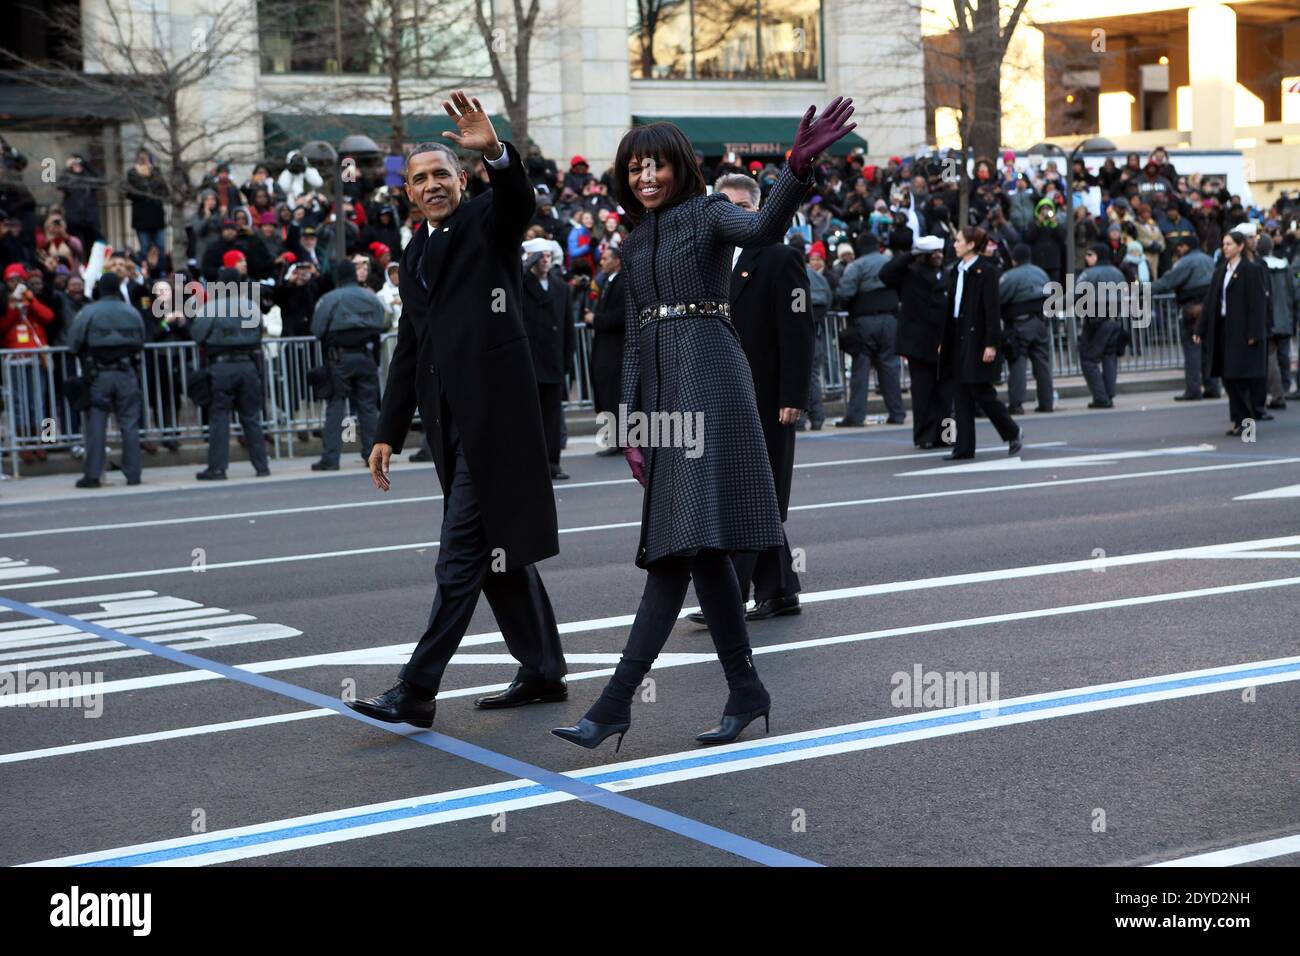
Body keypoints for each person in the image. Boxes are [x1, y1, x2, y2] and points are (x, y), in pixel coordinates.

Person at [553, 97, 856, 752]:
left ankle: (612, 705)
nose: (647, 177)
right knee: (703, 549)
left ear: (681, 169)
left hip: (712, 378)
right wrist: (630, 421)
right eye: (635, 168)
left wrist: (796, 170)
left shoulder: (711, 212)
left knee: (675, 548)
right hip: (663, 394)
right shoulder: (634, 244)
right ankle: (746, 692)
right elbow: (634, 340)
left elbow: (765, 229)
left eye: (658, 166)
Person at [348, 91, 566, 729]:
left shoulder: (487, 222)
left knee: (460, 556)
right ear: (409, 194)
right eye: (419, 179)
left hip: (496, 423)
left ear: (462, 179)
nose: (431, 185)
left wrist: (498, 151)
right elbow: (410, 350)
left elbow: (517, 203)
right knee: (500, 555)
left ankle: (417, 688)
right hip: (449, 427)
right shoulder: (413, 255)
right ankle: (544, 670)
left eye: (441, 173)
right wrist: (387, 430)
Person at [686, 172, 813, 623]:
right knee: (752, 494)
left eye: (740, 207)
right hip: (724, 393)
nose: (729, 214)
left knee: (754, 495)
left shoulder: (781, 257)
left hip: (767, 395)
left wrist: (794, 394)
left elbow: (798, 331)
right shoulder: (709, 256)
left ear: (758, 212)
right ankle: (779, 590)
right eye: (722, 205)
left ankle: (730, 596)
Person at [939, 225, 1023, 460]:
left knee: (980, 389)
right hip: (957, 334)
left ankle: (1012, 431)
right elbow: (951, 309)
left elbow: (991, 309)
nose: (954, 244)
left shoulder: (985, 271)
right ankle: (964, 447)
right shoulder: (956, 270)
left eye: (958, 241)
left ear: (971, 244)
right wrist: (943, 340)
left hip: (976, 336)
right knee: (960, 391)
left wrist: (991, 343)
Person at [191, 267, 271, 479]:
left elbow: (197, 334)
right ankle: (262, 466)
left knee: (219, 418)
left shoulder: (211, 308)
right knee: (251, 418)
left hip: (221, 368)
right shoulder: (250, 308)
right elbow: (258, 335)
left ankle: (218, 468)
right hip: (248, 366)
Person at [67, 274, 145, 487]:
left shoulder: (88, 312)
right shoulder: (132, 312)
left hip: (99, 375)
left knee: (96, 425)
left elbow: (73, 343)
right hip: (127, 373)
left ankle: (93, 474)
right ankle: (134, 474)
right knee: (129, 425)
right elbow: (141, 341)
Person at [309, 259, 385, 471]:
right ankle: (374, 456)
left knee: (336, 405)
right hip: (366, 355)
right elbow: (382, 321)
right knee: (368, 407)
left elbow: (317, 328)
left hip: (340, 358)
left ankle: (331, 458)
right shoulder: (371, 297)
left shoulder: (331, 298)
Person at [881, 232, 950, 447]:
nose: (938, 255)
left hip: (943, 342)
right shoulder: (910, 273)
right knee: (923, 393)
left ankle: (945, 435)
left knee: (945, 394)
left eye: (940, 251)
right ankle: (924, 436)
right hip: (919, 343)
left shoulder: (947, 274)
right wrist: (911, 254)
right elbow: (886, 274)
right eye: (933, 252)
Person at [1197, 231, 1268, 436]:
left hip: (1243, 330)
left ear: (1240, 246)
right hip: (1224, 329)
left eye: (1229, 244)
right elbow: (1211, 302)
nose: (1225, 247)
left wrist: (1255, 331)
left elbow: (1257, 304)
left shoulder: (1251, 270)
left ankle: (1246, 425)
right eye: (1224, 244)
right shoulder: (1221, 271)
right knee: (1228, 377)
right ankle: (1239, 420)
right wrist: (1200, 329)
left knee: (1239, 378)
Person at [834, 230, 906, 426]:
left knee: (861, 370)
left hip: (865, 321)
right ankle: (897, 413)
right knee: (890, 367)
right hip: (890, 319)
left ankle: (856, 416)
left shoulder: (857, 265)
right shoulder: (889, 262)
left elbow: (845, 291)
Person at [520, 245, 574, 479]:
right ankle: (532, 464)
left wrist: (567, 362)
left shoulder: (561, 287)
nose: (545, 260)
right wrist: (525, 265)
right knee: (530, 417)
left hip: (552, 361)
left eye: (548, 255)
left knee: (552, 417)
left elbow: (568, 327)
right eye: (539, 256)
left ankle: (553, 462)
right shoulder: (522, 284)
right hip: (530, 361)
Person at [1152, 236, 1216, 400]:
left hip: (1193, 309)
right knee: (1209, 350)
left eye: (1180, 246)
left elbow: (1167, 282)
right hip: (1211, 308)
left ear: (1185, 246)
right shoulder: (1209, 260)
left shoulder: (1185, 262)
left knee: (1192, 350)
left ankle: (1193, 390)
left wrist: (1142, 291)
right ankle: (1212, 387)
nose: (1178, 250)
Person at [998, 243, 1054, 414]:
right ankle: (1047, 402)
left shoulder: (1010, 276)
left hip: (1020, 324)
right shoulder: (1041, 273)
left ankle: (1016, 404)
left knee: (1018, 363)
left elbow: (999, 297)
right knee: (1042, 364)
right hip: (1040, 322)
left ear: (1014, 259)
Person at [584, 243, 625, 456]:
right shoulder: (607, 282)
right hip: (605, 350)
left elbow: (620, 316)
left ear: (617, 261)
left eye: (606, 258)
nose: (602, 262)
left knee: (614, 395)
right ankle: (615, 438)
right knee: (608, 395)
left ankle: (620, 440)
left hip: (615, 350)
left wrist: (595, 319)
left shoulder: (622, 283)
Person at [1077, 243, 1126, 408]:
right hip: (1115, 320)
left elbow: (1075, 295)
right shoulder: (1118, 272)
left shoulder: (1088, 274)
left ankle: (1101, 397)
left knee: (1088, 359)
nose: (1086, 258)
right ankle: (1109, 394)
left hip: (1096, 321)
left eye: (1090, 254)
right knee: (1109, 356)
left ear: (1098, 256)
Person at [1257, 234, 1297, 409]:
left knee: (1271, 356)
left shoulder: (1258, 267)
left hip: (1270, 319)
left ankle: (1276, 390)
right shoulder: (1283, 266)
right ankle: (1286, 385)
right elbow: (1292, 292)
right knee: (1284, 355)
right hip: (1284, 317)